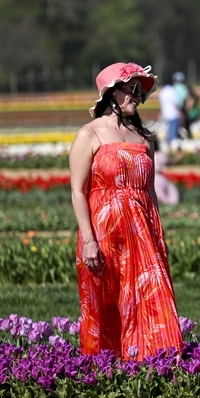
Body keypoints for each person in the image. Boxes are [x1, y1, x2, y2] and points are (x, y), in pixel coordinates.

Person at [69, 62, 182, 361]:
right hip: (104, 235)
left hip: (143, 234)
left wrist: (159, 234)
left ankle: (158, 363)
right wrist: (88, 240)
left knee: (152, 297)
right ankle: (108, 371)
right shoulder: (88, 135)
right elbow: (78, 192)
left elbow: (150, 191)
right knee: (107, 303)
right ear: (111, 92)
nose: (137, 97)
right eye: (132, 90)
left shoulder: (144, 138)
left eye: (140, 92)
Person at [158, 76, 182, 145]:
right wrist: (180, 113)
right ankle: (171, 145)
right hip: (173, 113)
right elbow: (175, 103)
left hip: (166, 113)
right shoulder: (172, 91)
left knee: (168, 130)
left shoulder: (163, 91)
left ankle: (168, 144)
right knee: (173, 132)